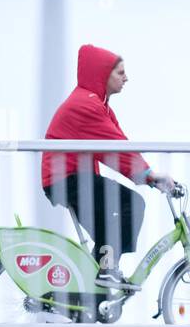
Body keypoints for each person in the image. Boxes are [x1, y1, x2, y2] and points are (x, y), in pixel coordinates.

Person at [41, 43, 174, 289]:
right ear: (103, 74)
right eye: (120, 73)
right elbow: (115, 148)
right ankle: (106, 272)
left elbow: (120, 144)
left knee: (107, 229)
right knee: (131, 204)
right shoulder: (87, 105)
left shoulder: (96, 104)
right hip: (67, 179)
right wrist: (148, 175)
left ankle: (95, 288)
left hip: (68, 177)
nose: (127, 78)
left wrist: (149, 176)